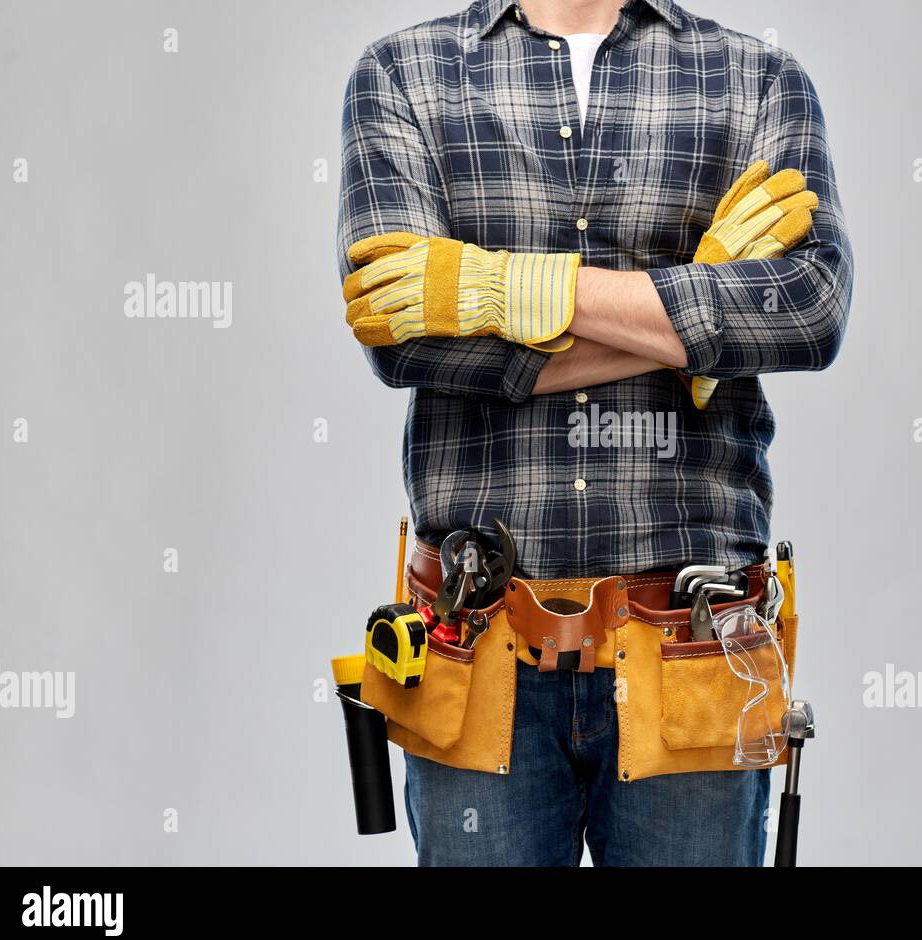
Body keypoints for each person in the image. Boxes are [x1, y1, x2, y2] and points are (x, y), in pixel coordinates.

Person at [336, 0, 852, 866]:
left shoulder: (761, 80)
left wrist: (501, 290)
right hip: (478, 643)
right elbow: (407, 340)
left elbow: (807, 310)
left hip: (692, 647)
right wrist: (694, 312)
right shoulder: (401, 76)